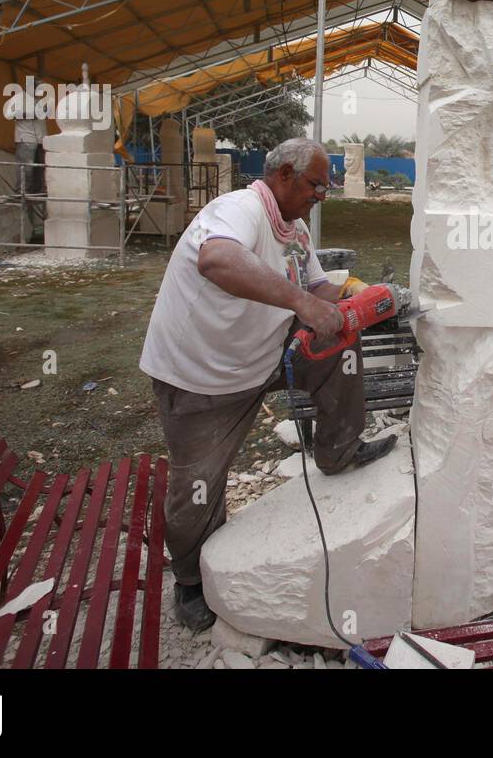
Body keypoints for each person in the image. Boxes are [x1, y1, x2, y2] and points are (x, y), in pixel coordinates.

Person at [139, 137, 398, 631]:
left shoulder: (296, 229)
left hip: (261, 357)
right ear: (282, 174)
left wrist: (351, 295)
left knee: (339, 338)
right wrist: (303, 305)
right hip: (201, 377)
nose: (323, 194)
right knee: (197, 485)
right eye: (316, 184)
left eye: (328, 185)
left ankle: (338, 449)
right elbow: (216, 260)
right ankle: (192, 581)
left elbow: (316, 285)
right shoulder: (238, 209)